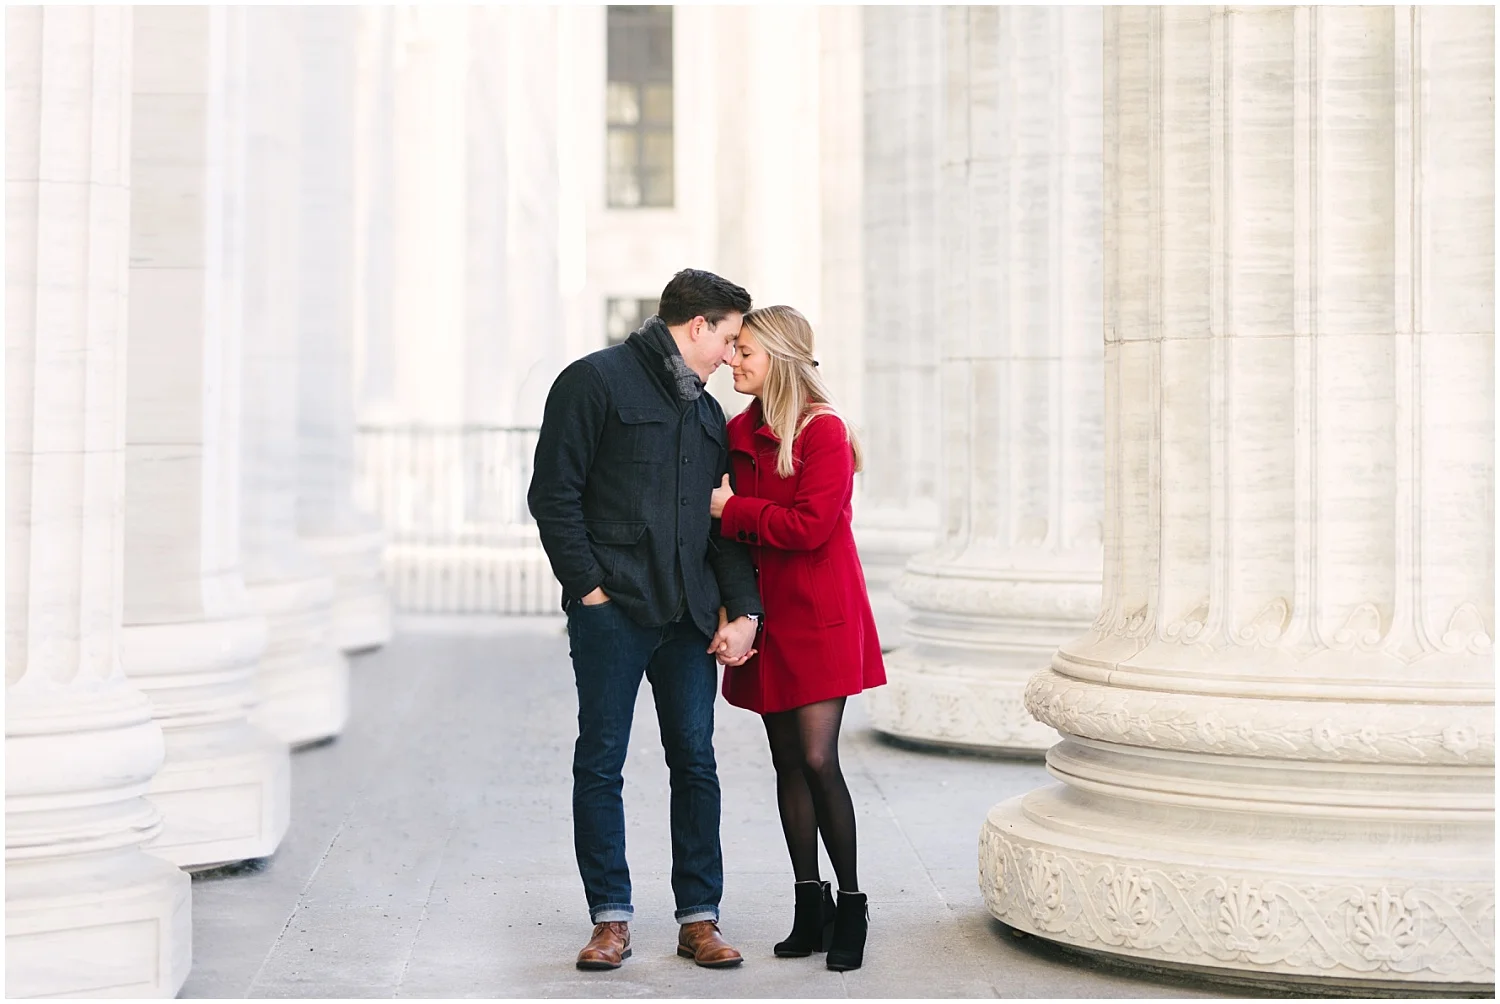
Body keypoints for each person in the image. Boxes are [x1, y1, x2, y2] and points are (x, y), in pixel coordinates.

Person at [528, 269, 764, 972]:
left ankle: (699, 918)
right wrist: (590, 590)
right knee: (600, 762)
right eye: (727, 338)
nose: (729, 355)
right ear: (698, 327)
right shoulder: (592, 382)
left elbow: (721, 527)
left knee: (696, 762)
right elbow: (553, 495)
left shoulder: (706, 414)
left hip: (687, 620)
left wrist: (743, 609)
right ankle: (611, 919)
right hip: (614, 615)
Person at [708, 304, 885, 972]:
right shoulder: (737, 430)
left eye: (746, 351)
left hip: (820, 616)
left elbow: (810, 527)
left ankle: (853, 904)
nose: (734, 361)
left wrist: (735, 511)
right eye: (733, 349)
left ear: (778, 356)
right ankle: (809, 905)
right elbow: (728, 531)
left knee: (818, 760)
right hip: (767, 614)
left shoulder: (824, 432)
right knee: (785, 763)